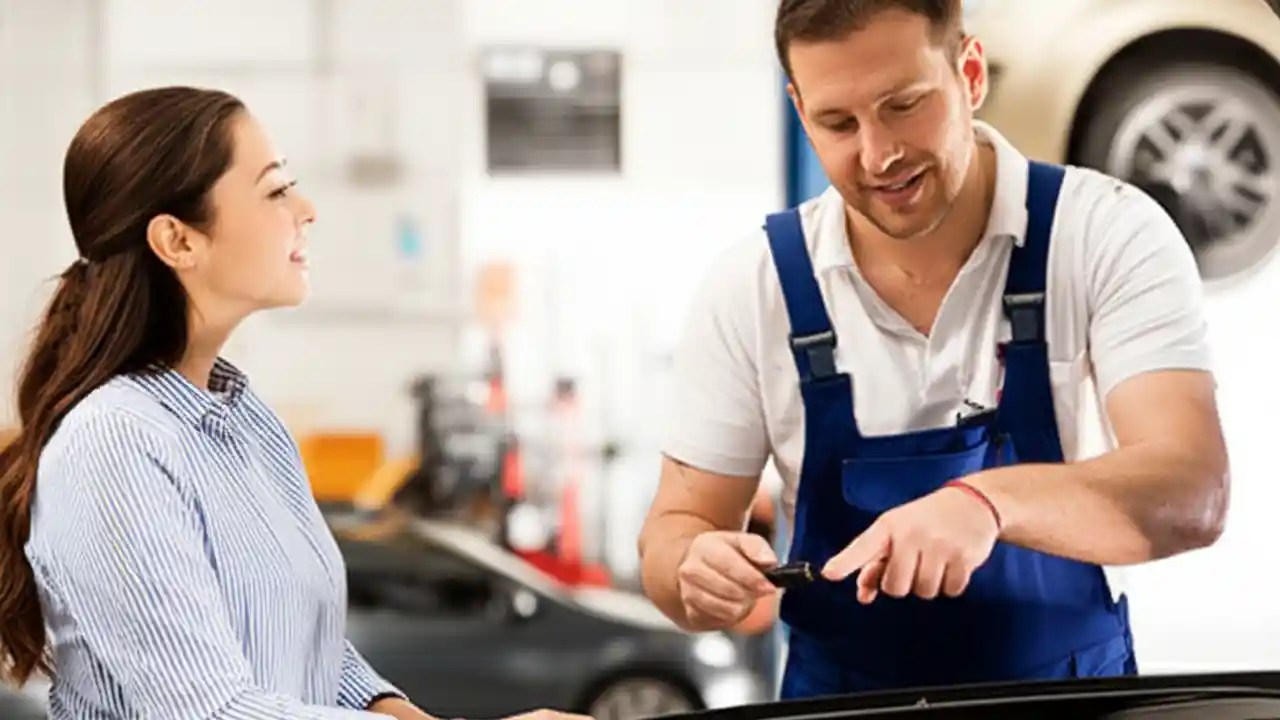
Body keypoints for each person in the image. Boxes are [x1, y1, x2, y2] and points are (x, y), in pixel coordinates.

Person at [638, 0, 1231, 698]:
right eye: (838, 123)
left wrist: (984, 505)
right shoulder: (753, 287)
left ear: (969, 73)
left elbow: (1191, 491)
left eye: (904, 105)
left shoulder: (1105, 235)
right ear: (800, 112)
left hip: (1070, 701)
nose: (878, 153)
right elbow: (674, 535)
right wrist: (693, 569)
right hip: (841, 712)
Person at [0, 86, 589, 720]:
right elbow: (208, 712)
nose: (306, 210)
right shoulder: (114, 445)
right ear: (178, 241)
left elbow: (314, 651)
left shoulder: (249, 423)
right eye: (276, 190)